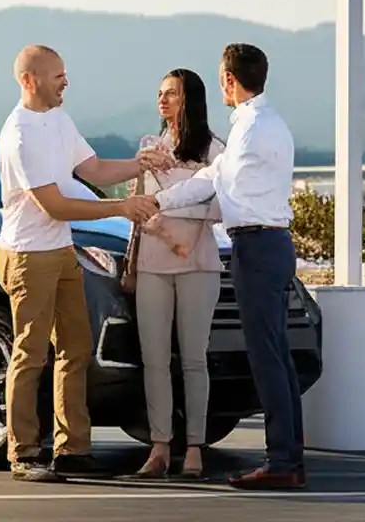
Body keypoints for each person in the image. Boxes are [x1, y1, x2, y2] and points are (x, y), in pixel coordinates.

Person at [0, 44, 167, 483]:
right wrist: (121, 208)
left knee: (76, 347)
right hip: (27, 256)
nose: (66, 81)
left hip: (60, 252)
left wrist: (137, 164)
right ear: (30, 80)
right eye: (57, 75)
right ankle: (24, 453)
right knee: (30, 353)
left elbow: (92, 168)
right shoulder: (19, 135)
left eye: (65, 74)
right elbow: (55, 205)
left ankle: (72, 448)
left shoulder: (59, 121)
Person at [148, 43, 305, 490]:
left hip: (257, 246)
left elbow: (214, 186)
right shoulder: (265, 123)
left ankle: (282, 462)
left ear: (229, 80)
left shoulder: (251, 128)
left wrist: (155, 203)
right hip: (270, 245)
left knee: (267, 358)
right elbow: (209, 181)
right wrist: (160, 200)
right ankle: (289, 457)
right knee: (277, 357)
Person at [127, 69, 226, 480]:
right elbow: (137, 205)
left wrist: (165, 204)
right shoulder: (149, 148)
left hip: (199, 264)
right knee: (153, 358)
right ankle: (160, 446)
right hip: (151, 262)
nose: (162, 100)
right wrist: (166, 221)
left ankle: (196, 447)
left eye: (171, 93)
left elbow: (220, 209)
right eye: (159, 93)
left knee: (193, 359)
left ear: (192, 100)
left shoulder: (215, 151)